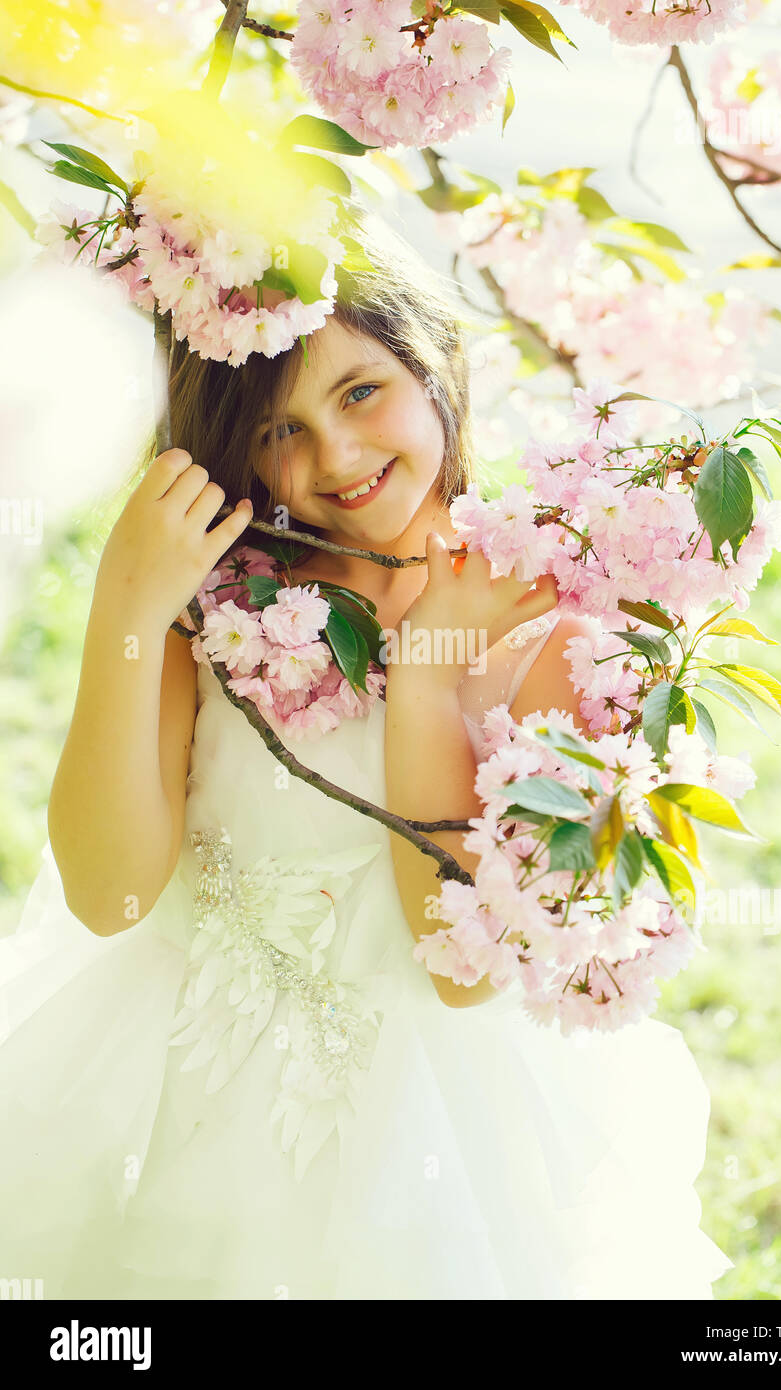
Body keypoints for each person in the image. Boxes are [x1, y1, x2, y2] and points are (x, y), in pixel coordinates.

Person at [0, 206, 733, 1299]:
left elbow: (459, 967)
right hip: (187, 1098)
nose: (333, 455)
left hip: (432, 1137)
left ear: (432, 360)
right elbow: (108, 895)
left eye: (359, 392)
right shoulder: (216, 601)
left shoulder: (555, 611)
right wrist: (128, 607)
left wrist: (424, 668)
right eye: (274, 428)